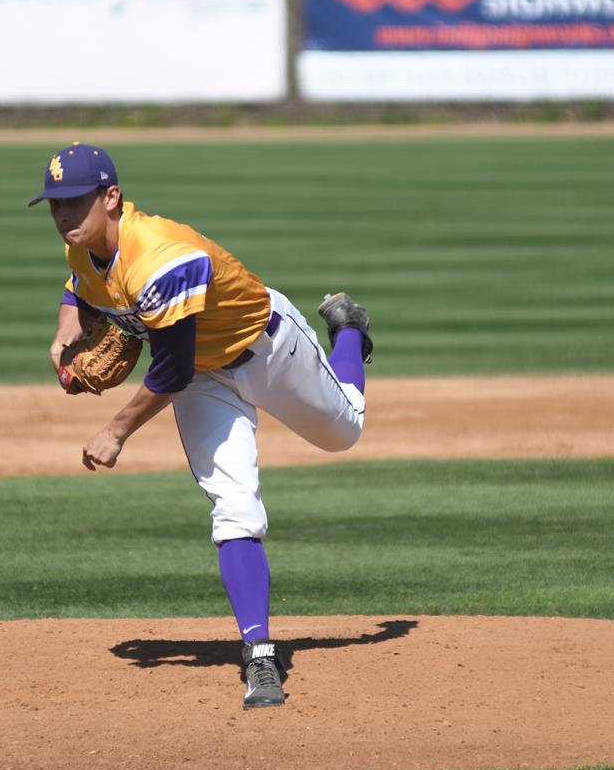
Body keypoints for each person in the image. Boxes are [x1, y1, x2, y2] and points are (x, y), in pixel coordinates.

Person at [29, 142, 372, 709]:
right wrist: (66, 329)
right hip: (204, 382)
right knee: (234, 506)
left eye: (76, 201)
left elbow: (170, 367)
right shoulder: (82, 247)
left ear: (111, 198)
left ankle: (350, 333)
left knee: (346, 430)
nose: (64, 215)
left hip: (266, 349)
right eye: (55, 204)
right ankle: (261, 656)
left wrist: (115, 432)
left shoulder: (161, 257)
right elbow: (81, 288)